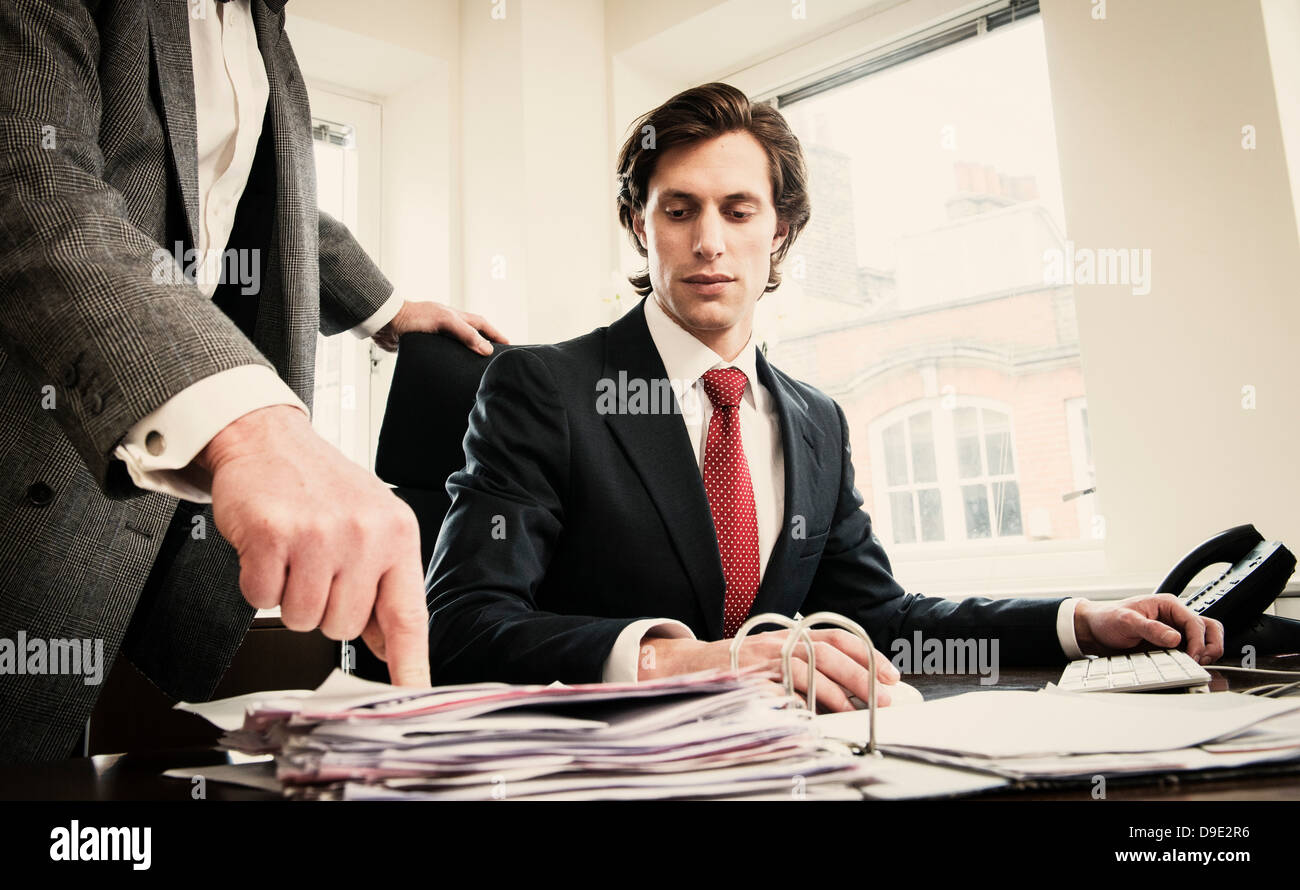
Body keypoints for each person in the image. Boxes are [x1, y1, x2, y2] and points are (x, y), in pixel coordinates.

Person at [425, 82, 1223, 710]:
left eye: (739, 210)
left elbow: (883, 620)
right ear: (640, 225)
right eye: (679, 210)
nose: (709, 240)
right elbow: (463, 626)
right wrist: (697, 660)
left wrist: (1079, 623)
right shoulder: (544, 387)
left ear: (780, 233)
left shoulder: (816, 422)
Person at [0, 0, 502, 762]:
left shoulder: (268, 30)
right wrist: (255, 431)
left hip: (130, 513)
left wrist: (390, 309)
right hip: (36, 428)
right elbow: (33, 183)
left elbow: (276, 204)